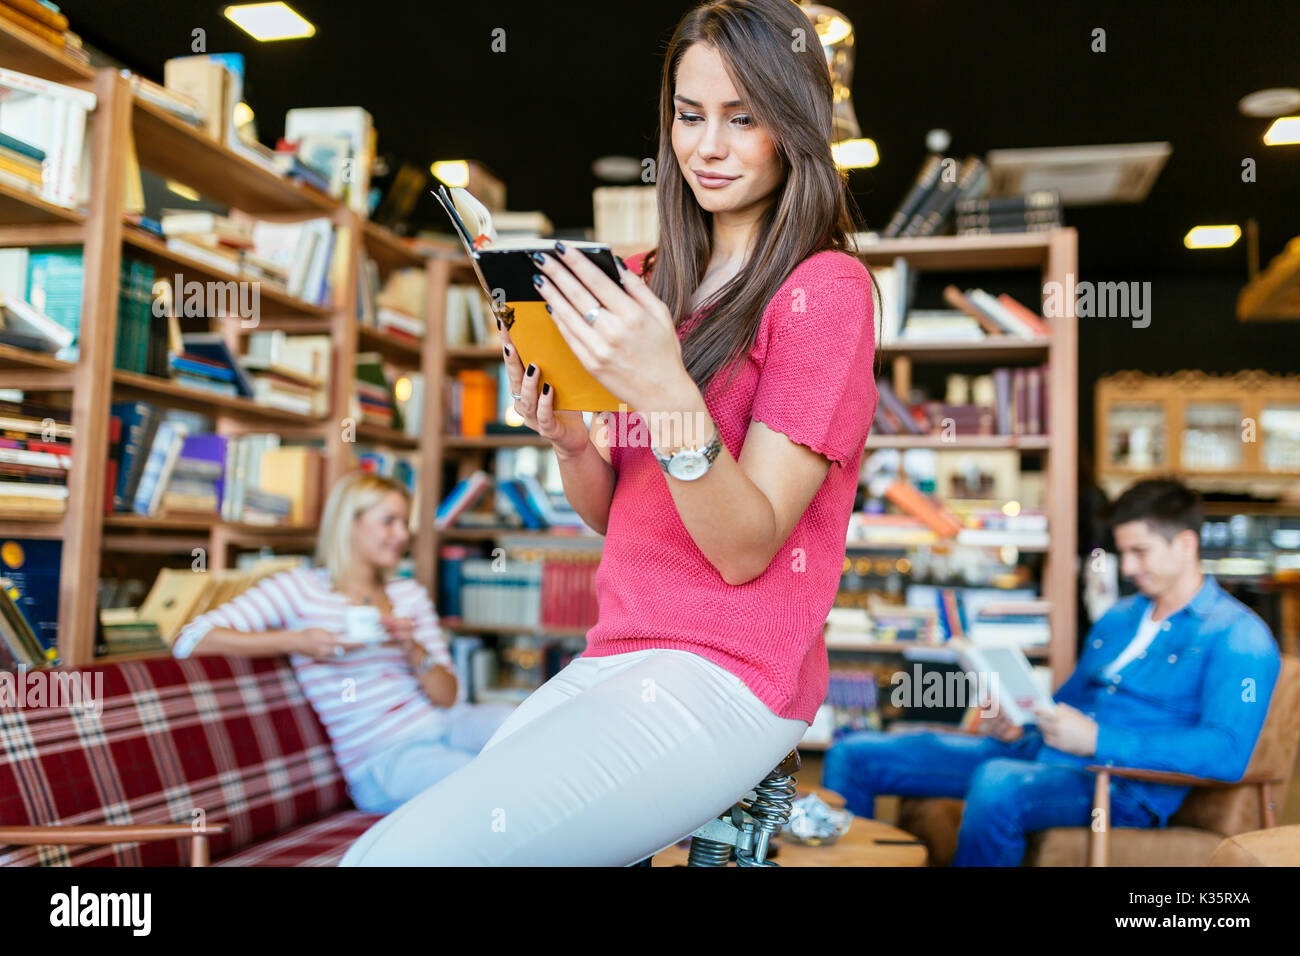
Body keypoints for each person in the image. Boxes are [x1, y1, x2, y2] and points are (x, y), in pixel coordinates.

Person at [340, 0, 878, 865]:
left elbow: (744, 549)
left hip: (732, 671)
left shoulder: (826, 290)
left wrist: (664, 384)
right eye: (689, 116)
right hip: (617, 651)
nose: (707, 147)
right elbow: (613, 515)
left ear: (796, 127)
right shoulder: (643, 281)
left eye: (744, 120)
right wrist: (572, 442)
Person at [822, 478, 1283, 866]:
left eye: (1140, 552)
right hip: (1039, 751)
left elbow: (1225, 753)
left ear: (1186, 544)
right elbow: (1070, 701)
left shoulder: (1239, 637)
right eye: (1123, 553)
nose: (1128, 567)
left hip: (1118, 785)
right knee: (853, 754)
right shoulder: (1119, 618)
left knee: (999, 781)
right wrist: (1021, 717)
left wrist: (1097, 740)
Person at [171, 471, 514, 814]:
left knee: (526, 724)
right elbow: (191, 640)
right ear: (349, 523)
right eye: (389, 521)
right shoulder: (300, 589)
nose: (401, 534)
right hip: (385, 758)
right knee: (488, 785)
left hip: (447, 724)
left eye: (403, 522)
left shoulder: (409, 595)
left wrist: (413, 649)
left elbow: (449, 696)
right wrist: (298, 641)